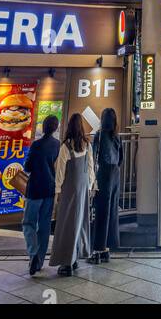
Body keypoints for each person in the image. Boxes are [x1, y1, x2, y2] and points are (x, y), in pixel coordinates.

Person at [49, 113, 96, 276]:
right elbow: (90, 168)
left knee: (66, 224)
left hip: (69, 190)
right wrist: (90, 186)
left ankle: (67, 262)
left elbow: (60, 173)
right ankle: (76, 257)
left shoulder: (65, 147)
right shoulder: (87, 145)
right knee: (80, 222)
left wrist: (57, 191)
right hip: (83, 188)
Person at [22, 114, 61, 276]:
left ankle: (33, 254)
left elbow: (28, 167)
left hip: (35, 189)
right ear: (55, 128)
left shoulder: (36, 145)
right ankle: (39, 259)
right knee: (44, 225)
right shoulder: (57, 144)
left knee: (28, 223)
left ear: (43, 127)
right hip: (49, 189)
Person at [91, 107, 123, 263]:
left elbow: (93, 156)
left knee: (101, 212)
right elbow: (121, 157)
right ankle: (108, 249)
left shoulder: (99, 135)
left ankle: (98, 249)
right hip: (116, 174)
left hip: (104, 173)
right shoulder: (117, 136)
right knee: (112, 211)